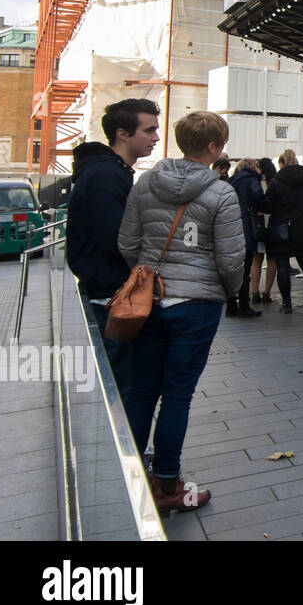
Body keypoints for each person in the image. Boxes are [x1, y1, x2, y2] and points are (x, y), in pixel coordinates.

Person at [118, 111, 244, 513]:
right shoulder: (221, 193)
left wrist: (149, 276)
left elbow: (127, 242)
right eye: (221, 143)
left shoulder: (145, 183)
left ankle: (131, 473)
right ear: (212, 148)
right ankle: (167, 483)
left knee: (142, 390)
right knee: (177, 395)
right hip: (197, 305)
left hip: (149, 302)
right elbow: (230, 259)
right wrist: (228, 291)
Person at [66, 97, 161, 404]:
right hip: (111, 295)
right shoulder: (106, 175)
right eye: (148, 130)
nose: (155, 138)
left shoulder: (111, 171)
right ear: (123, 133)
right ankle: (128, 447)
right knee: (123, 382)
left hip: (110, 290)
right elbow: (116, 238)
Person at [264, 149, 303, 313]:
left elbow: (268, 206)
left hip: (281, 226)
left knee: (282, 265)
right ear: (296, 161)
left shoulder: (276, 182)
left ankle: (287, 304)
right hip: (302, 226)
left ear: (282, 162)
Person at [225, 158, 266, 318]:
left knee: (232, 268)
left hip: (230, 227)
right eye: (257, 166)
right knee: (245, 268)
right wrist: (262, 206)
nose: (259, 170)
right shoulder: (251, 180)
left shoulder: (231, 180)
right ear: (252, 167)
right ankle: (243, 305)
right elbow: (259, 199)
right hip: (246, 226)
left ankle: (230, 305)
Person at [254, 157, 278, 303]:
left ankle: (254, 292)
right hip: (273, 224)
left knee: (256, 260)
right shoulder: (276, 182)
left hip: (259, 225)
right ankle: (266, 293)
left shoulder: (256, 181)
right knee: (272, 260)